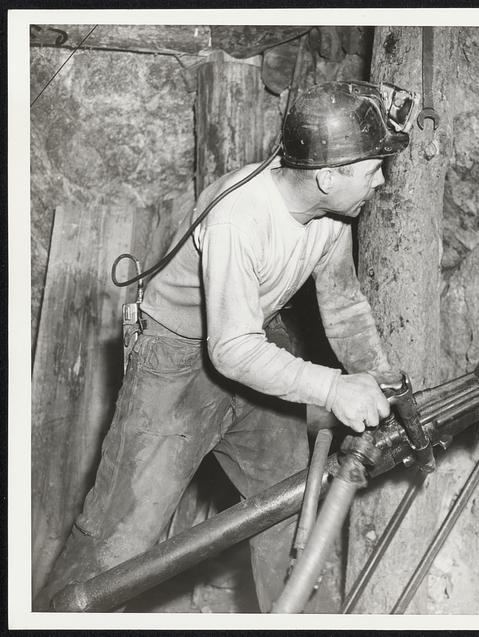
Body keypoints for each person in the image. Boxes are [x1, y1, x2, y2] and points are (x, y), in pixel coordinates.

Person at [35, 80, 419, 612]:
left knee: (291, 510)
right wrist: (332, 387)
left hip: (255, 343)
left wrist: (379, 379)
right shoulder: (238, 218)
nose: (381, 180)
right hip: (176, 362)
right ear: (328, 176)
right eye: (373, 168)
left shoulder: (333, 218)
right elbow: (231, 351)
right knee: (119, 542)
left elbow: (343, 303)